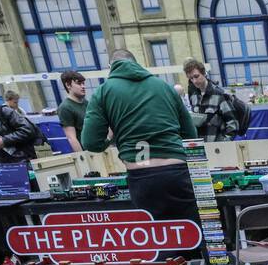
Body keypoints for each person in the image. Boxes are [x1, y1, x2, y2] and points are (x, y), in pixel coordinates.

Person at [83, 50, 200, 229]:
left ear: (110, 67)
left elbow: (91, 143)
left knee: (159, 241)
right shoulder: (164, 87)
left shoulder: (103, 92)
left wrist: (111, 136)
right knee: (195, 234)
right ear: (136, 63)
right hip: (177, 171)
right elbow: (190, 134)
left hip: (142, 176)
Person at [184, 59, 249, 141]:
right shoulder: (193, 96)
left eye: (196, 76)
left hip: (218, 149)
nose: (195, 81)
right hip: (201, 147)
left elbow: (233, 124)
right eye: (191, 78)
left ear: (204, 73)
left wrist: (224, 144)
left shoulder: (220, 94)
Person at [56, 70, 89, 153]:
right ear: (68, 85)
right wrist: (84, 159)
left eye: (83, 83)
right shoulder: (65, 108)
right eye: (79, 83)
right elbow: (71, 138)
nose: (83, 86)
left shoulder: (86, 103)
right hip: (87, 153)